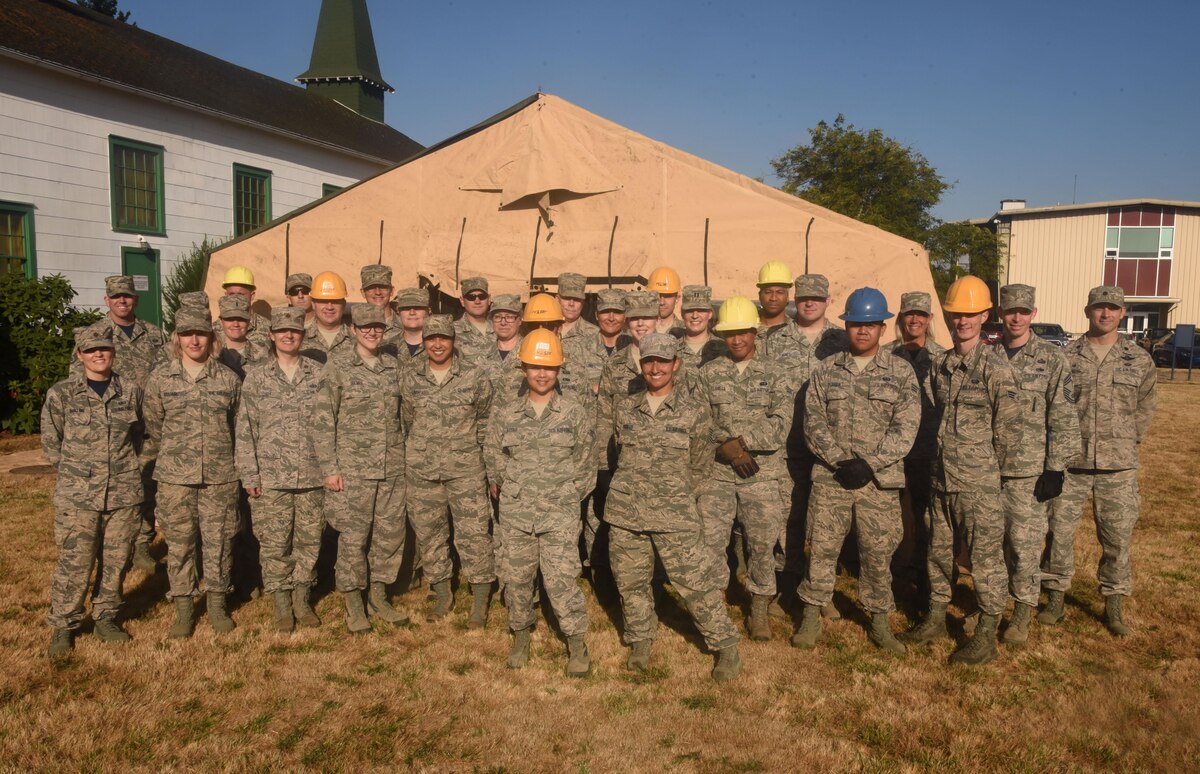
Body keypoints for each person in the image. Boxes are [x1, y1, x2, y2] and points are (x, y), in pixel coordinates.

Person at [899, 275, 1023, 665]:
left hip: (978, 485)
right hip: (941, 480)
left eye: (971, 314)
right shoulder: (942, 364)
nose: (963, 321)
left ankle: (986, 635)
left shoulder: (996, 369)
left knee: (985, 562)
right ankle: (936, 618)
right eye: (956, 314)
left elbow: (1009, 434)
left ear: (986, 315)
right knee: (938, 554)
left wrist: (986, 475)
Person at [606, 332, 743, 681]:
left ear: (676, 365)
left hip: (675, 513)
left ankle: (725, 646)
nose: (655, 368)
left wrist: (678, 495)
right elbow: (618, 453)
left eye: (663, 362)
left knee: (695, 582)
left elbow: (700, 465)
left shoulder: (694, 413)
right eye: (649, 361)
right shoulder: (625, 407)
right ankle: (640, 639)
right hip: (627, 511)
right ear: (642, 364)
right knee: (632, 582)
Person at [790, 288, 920, 654]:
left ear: (882, 328)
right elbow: (812, 421)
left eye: (870, 325)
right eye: (856, 325)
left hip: (878, 483)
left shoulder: (901, 372)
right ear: (846, 326)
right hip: (832, 479)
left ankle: (879, 621)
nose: (862, 331)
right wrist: (838, 460)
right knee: (822, 551)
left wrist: (870, 464)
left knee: (878, 554)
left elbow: (906, 427)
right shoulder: (826, 371)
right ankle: (812, 616)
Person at [1041, 285, 1157, 636]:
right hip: (1071, 463)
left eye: (1112, 308)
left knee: (1116, 538)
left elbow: (1146, 406)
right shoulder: (1067, 357)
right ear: (1087, 311)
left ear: (1122, 314)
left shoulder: (1138, 359)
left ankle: (1114, 604)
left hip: (1117, 466)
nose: (1105, 314)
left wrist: (1127, 439)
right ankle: (1056, 597)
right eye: (1098, 308)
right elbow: (1054, 405)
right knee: (1058, 533)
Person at [484, 329, 594, 675]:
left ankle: (576, 642)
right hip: (517, 514)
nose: (542, 374)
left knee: (561, 580)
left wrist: (563, 496)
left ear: (559, 370)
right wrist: (514, 486)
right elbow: (493, 456)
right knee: (516, 579)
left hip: (559, 513)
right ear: (523, 370)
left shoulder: (573, 413)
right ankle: (520, 634)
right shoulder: (506, 413)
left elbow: (586, 463)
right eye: (534, 367)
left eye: (548, 368)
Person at [41, 326, 145, 658]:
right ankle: (64, 625)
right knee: (75, 562)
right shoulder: (62, 394)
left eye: (104, 349)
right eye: (91, 350)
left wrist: (128, 467)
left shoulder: (129, 391)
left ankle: (105, 617)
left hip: (123, 494)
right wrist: (77, 474)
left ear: (113, 353)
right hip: (79, 496)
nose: (98, 354)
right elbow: (51, 444)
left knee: (116, 561)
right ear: (79, 355)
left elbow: (143, 436)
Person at [696, 297, 793, 641]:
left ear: (755, 332)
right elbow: (698, 419)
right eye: (730, 334)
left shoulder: (775, 374)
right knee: (711, 542)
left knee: (762, 545)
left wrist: (743, 442)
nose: (736, 340)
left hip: (761, 475)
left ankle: (759, 609)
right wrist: (724, 444)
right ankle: (714, 605)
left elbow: (782, 424)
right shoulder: (708, 374)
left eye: (743, 333)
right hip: (717, 476)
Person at [142, 305, 242, 639]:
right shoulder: (160, 379)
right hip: (175, 478)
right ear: (177, 338)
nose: (194, 340)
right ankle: (184, 608)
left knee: (219, 542)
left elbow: (237, 425)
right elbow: (154, 426)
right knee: (181, 545)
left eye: (200, 333)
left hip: (219, 476)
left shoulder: (228, 380)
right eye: (187, 334)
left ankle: (216, 604)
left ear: (211, 338)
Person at [311, 304, 409, 633]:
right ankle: (354, 603)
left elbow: (404, 417)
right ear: (353, 329)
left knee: (389, 536)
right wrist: (330, 468)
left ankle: (378, 596)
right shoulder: (337, 367)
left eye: (377, 328)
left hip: (392, 468)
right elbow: (324, 422)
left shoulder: (393, 367)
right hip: (353, 470)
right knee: (354, 538)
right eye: (365, 327)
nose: (371, 332)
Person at [994, 284, 1081, 645]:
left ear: (1034, 313)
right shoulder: (989, 356)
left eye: (1023, 311)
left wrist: (1055, 467)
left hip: (1029, 471)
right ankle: (990, 606)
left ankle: (1021, 613)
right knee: (990, 546)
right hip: (987, 468)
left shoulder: (1051, 359)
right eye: (1010, 310)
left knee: (1025, 545)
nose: (1016, 317)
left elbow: (1063, 415)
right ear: (1001, 314)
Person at [759, 273, 849, 615]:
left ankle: (820, 591)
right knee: (790, 518)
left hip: (831, 446)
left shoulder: (842, 339)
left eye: (817, 297)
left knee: (825, 522)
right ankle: (789, 586)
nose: (809, 302)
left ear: (828, 301)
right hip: (789, 444)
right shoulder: (775, 339)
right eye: (804, 297)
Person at [400, 314, 496, 625]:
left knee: (475, 535)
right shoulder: (411, 376)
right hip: (423, 472)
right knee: (430, 535)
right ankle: (441, 592)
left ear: (453, 340)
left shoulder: (473, 376)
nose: (438, 344)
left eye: (444, 338)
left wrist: (484, 466)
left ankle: (480, 596)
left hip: (466, 470)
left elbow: (485, 424)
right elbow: (407, 421)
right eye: (431, 339)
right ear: (424, 341)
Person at [235, 307, 326, 631]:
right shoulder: (257, 377)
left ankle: (302, 599)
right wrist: (250, 474)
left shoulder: (319, 374)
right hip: (271, 478)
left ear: (303, 335)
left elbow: (330, 424)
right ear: (272, 336)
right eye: (283, 331)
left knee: (308, 541)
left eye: (295, 331)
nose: (289, 335)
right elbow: (245, 428)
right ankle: (281, 604)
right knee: (275, 543)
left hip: (312, 475)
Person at [82, 275, 168, 574]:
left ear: (136, 299)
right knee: (117, 490)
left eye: (127, 296)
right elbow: (78, 381)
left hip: (149, 424)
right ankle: (116, 545)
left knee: (146, 486)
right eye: (116, 296)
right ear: (106, 300)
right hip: (113, 428)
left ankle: (142, 545)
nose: (122, 301)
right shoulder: (95, 334)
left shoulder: (154, 334)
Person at [565, 288, 629, 567]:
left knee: (615, 509)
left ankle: (615, 568)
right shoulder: (575, 347)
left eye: (616, 312)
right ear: (597, 314)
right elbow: (568, 392)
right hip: (584, 442)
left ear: (624, 316)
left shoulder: (633, 349)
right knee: (585, 509)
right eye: (605, 312)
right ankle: (593, 566)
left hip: (621, 445)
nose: (611, 317)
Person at [889, 291, 946, 590]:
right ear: (901, 318)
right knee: (891, 510)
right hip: (892, 449)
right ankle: (893, 566)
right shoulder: (886, 355)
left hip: (926, 448)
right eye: (909, 313)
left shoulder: (942, 358)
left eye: (921, 315)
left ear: (930, 319)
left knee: (926, 511)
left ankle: (924, 565)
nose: (915, 319)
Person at [301, 271, 353, 364]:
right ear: (313, 304)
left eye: (335, 301)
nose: (329, 307)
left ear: (344, 304)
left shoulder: (358, 340)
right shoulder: (299, 340)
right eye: (323, 301)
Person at [676, 285, 727, 373]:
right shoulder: (671, 349)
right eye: (689, 310)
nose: (695, 316)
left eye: (701, 310)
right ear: (682, 313)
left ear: (710, 314)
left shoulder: (723, 349)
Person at [221, 265, 271, 348]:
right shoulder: (214, 329)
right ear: (226, 295)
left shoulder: (268, 329)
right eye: (232, 294)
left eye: (241, 295)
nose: (236, 299)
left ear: (252, 296)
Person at [216, 294, 265, 379]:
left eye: (241, 319)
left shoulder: (264, 354)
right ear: (221, 321)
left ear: (249, 321)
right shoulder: (212, 355)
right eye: (230, 319)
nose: (236, 324)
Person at [360, 265, 403, 351]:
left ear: (392, 290)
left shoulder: (406, 328)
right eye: (371, 288)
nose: (378, 292)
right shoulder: (355, 330)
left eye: (383, 287)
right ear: (363, 292)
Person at [453, 276, 493, 363]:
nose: (477, 301)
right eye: (471, 297)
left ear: (489, 299)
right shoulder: (452, 331)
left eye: (482, 296)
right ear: (462, 301)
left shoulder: (500, 328)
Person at [394, 286, 430, 364]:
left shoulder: (439, 346)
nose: (412, 312)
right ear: (398, 311)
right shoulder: (387, 347)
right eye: (406, 308)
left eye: (418, 307)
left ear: (428, 311)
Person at [647, 267, 684, 335]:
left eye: (667, 296)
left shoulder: (685, 331)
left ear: (677, 298)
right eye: (657, 295)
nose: (661, 302)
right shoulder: (638, 331)